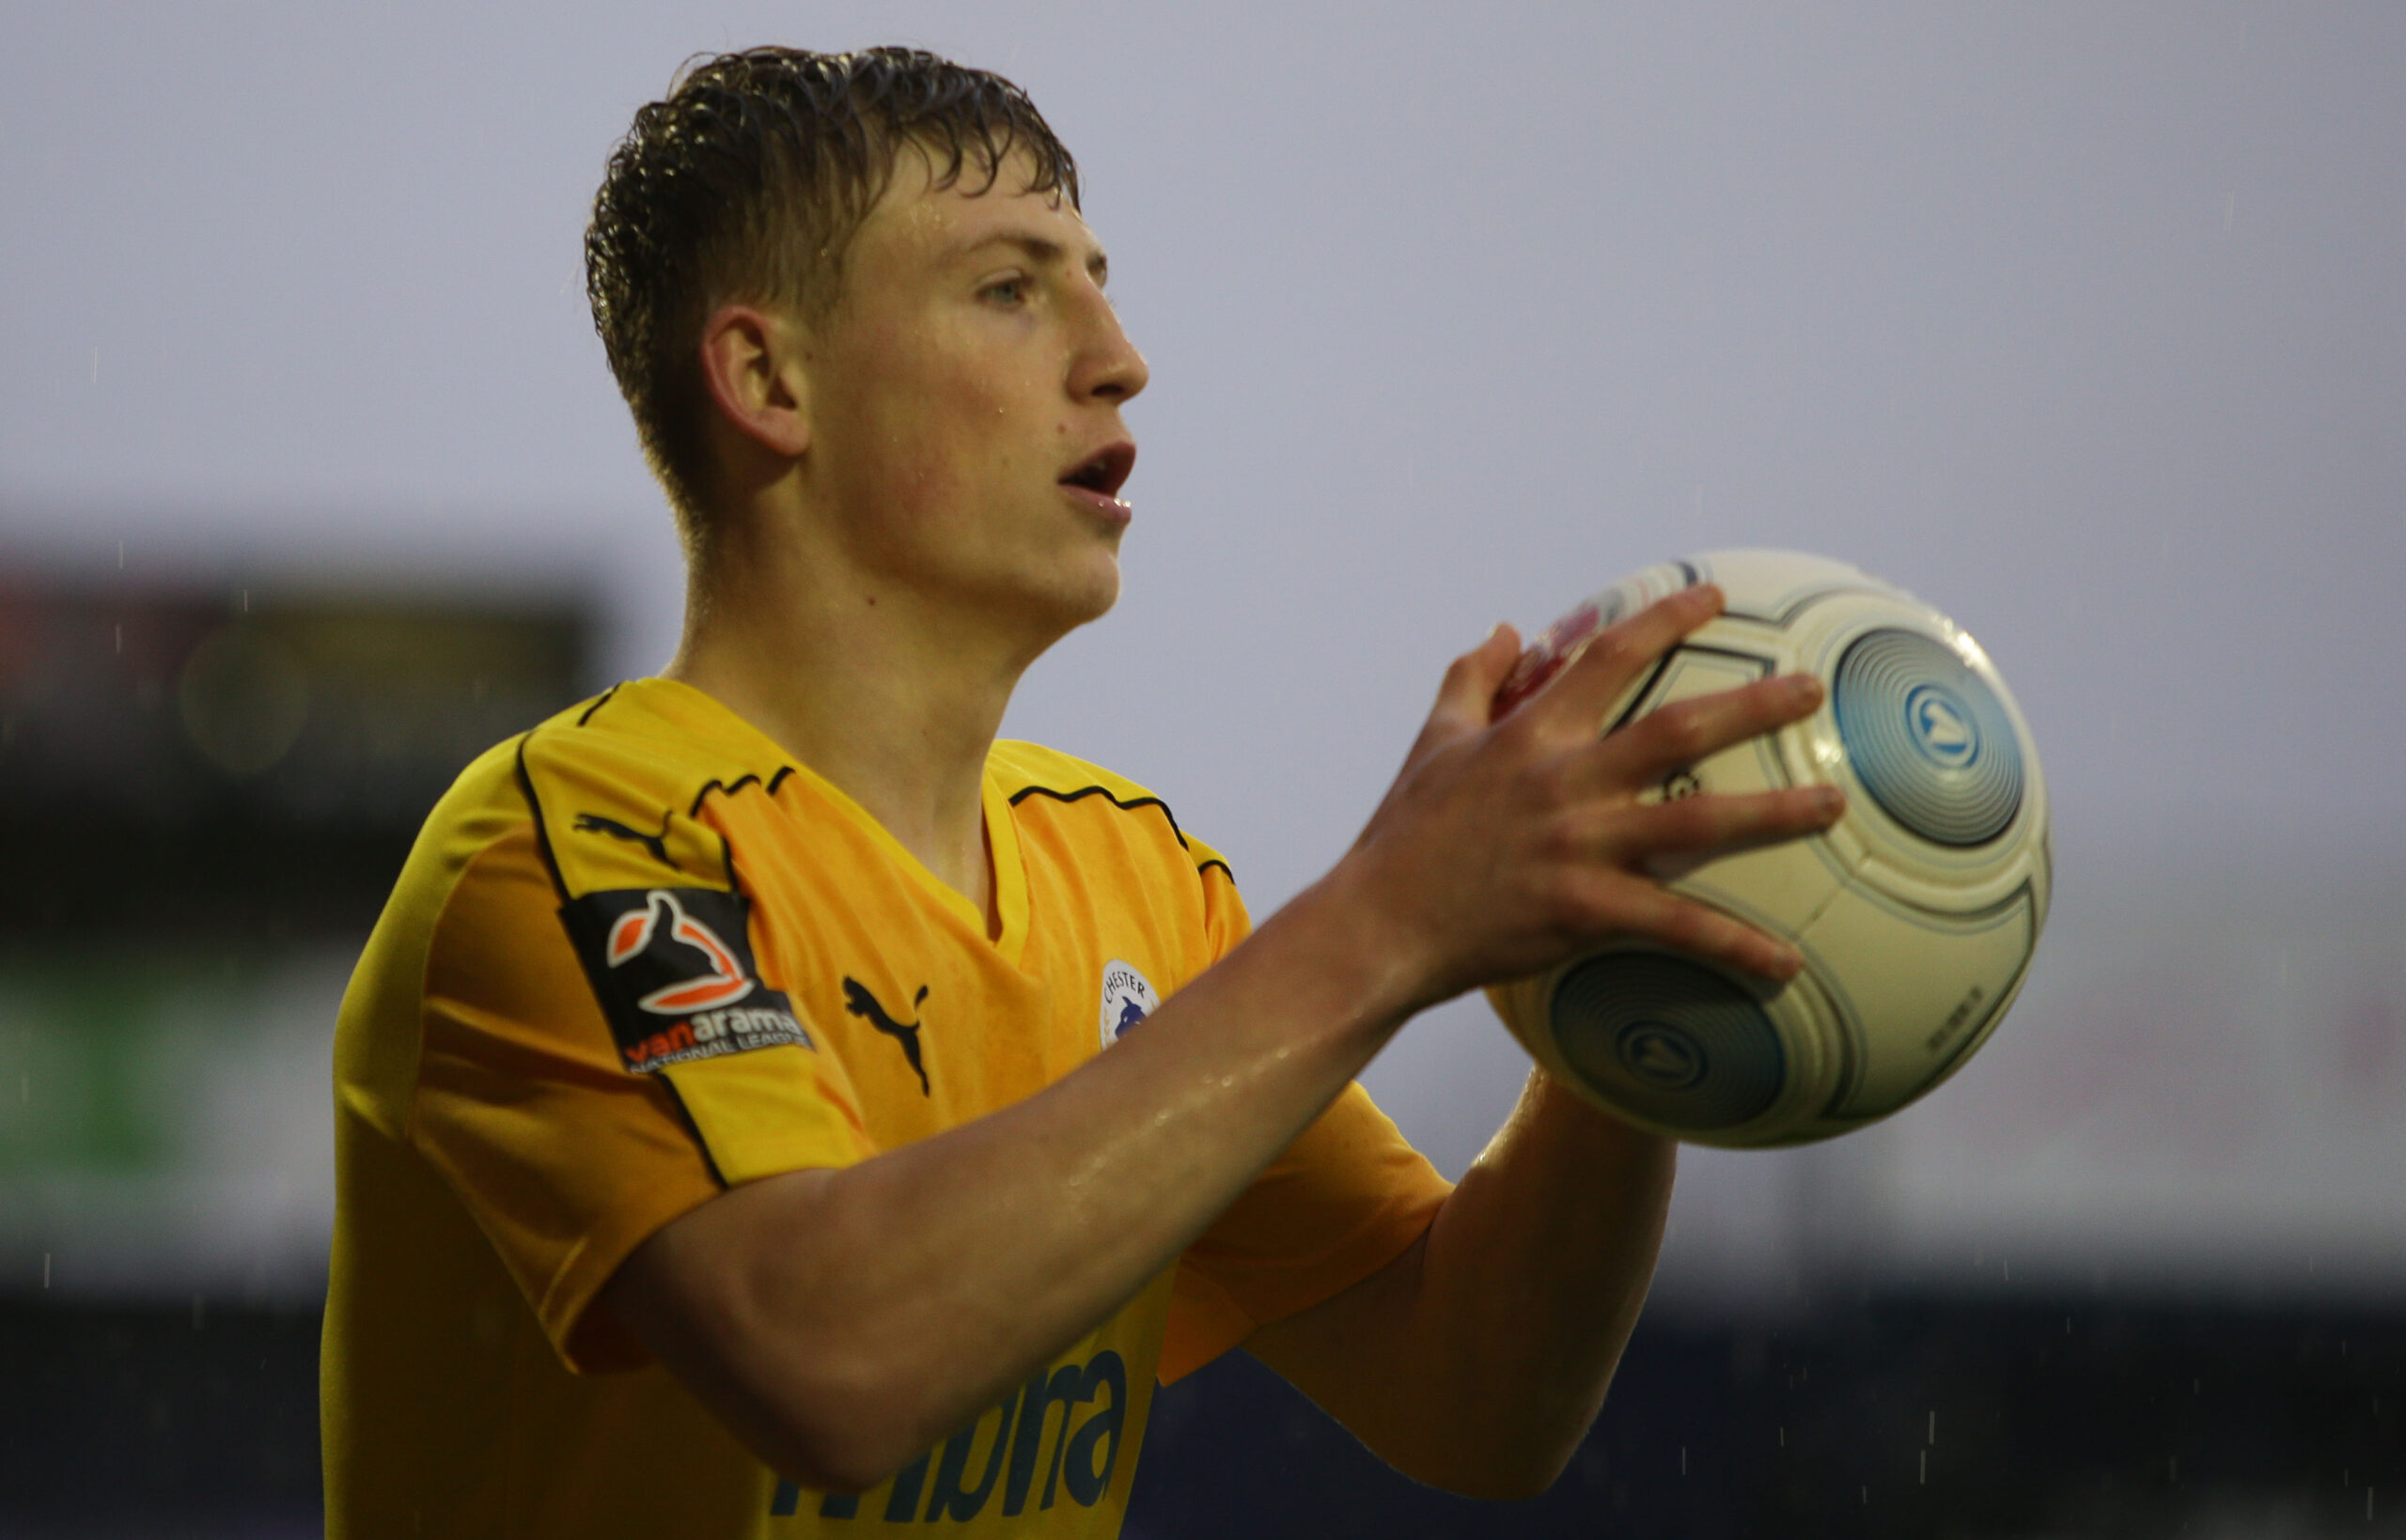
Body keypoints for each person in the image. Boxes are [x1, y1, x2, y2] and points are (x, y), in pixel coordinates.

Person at [320, 45, 1841, 1538]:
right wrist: (1393, 918)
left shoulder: (1132, 877)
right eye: (1010, 287)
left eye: (1099, 279)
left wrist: (1615, 981)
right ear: (770, 378)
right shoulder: (567, 842)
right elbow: (823, 1361)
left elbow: (1479, 1398)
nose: (1120, 355)